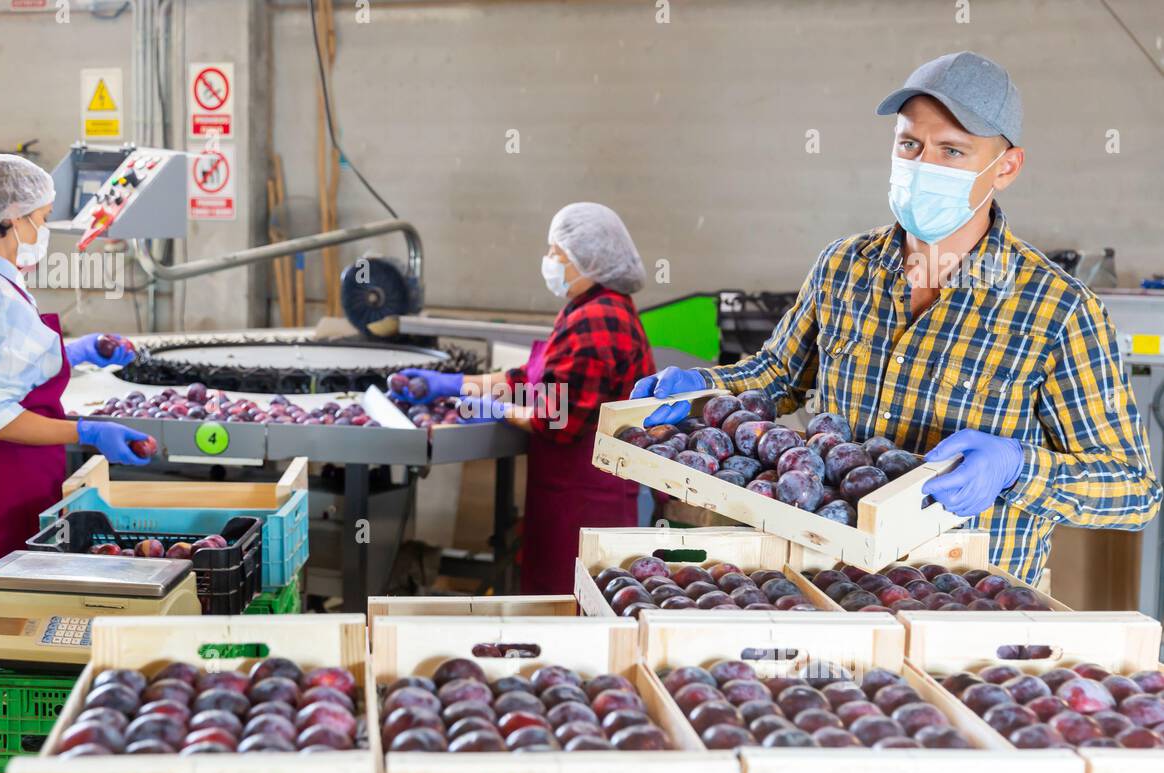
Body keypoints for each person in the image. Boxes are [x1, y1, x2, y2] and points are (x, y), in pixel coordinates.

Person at [633, 52, 1160, 585]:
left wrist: (1019, 467)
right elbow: (777, 377)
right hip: (825, 584)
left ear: (1006, 167)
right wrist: (703, 386)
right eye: (910, 145)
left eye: (951, 151)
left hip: (965, 610)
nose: (922, 166)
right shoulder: (843, 267)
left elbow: (1132, 490)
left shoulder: (1058, 309)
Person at [0, 154, 151, 615]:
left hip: (10, 478)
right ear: (13, 218)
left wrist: (80, 352)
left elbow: (8, 367)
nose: (43, 231)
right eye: (43, 219)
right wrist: (87, 432)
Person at [390, 202, 655, 593]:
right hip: (572, 495)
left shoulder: (597, 320)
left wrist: (494, 409)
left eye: (556, 253)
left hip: (586, 502)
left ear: (589, 261)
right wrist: (453, 384)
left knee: (576, 605)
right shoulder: (586, 309)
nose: (548, 260)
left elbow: (555, 419)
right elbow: (533, 379)